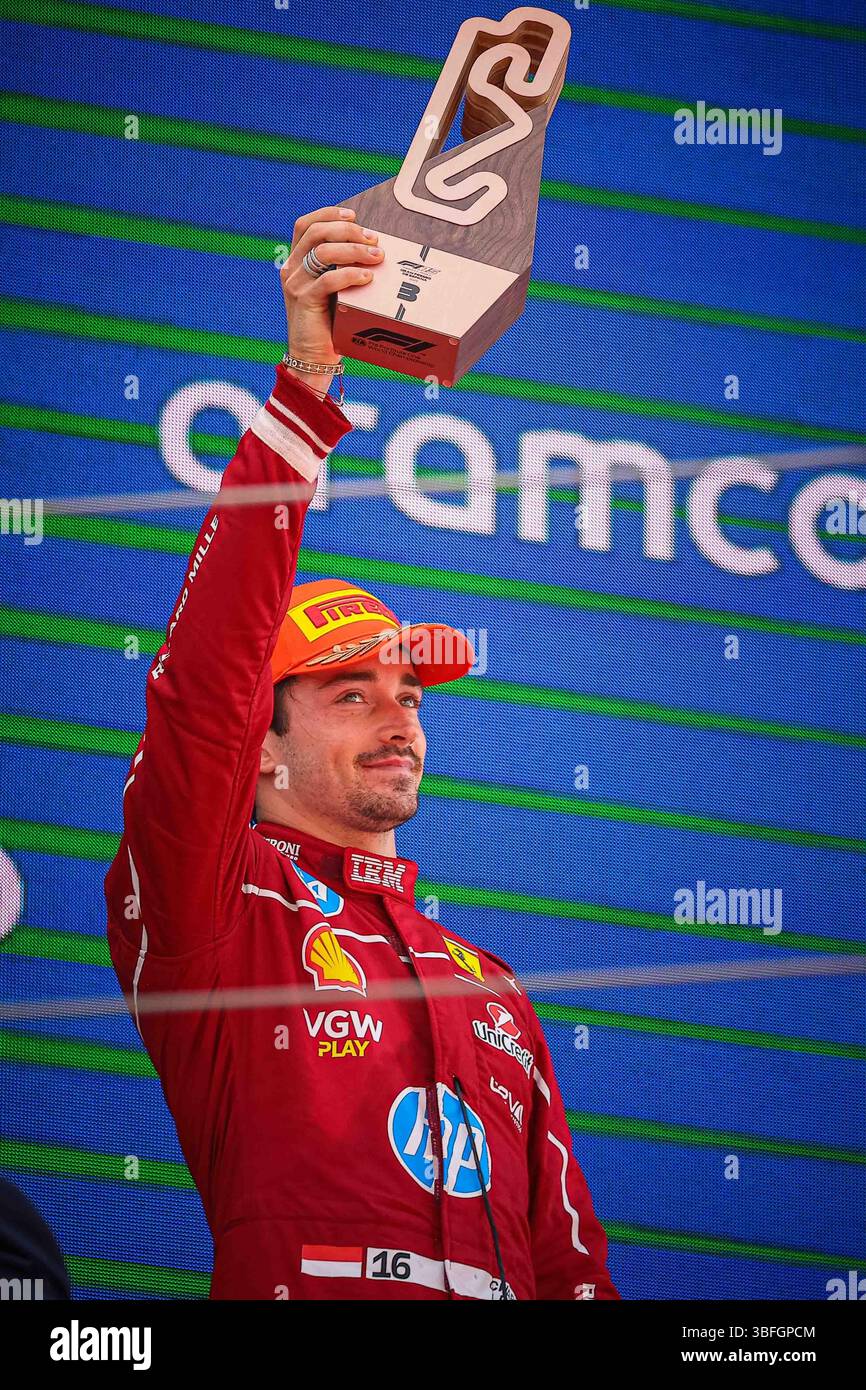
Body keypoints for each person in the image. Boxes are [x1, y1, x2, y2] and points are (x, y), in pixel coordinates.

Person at [105, 205, 620, 1301]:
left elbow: (575, 1275)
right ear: (262, 751)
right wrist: (305, 392)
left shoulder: (496, 990)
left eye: (408, 695)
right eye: (349, 693)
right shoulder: (216, 910)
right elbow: (201, 694)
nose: (401, 720)